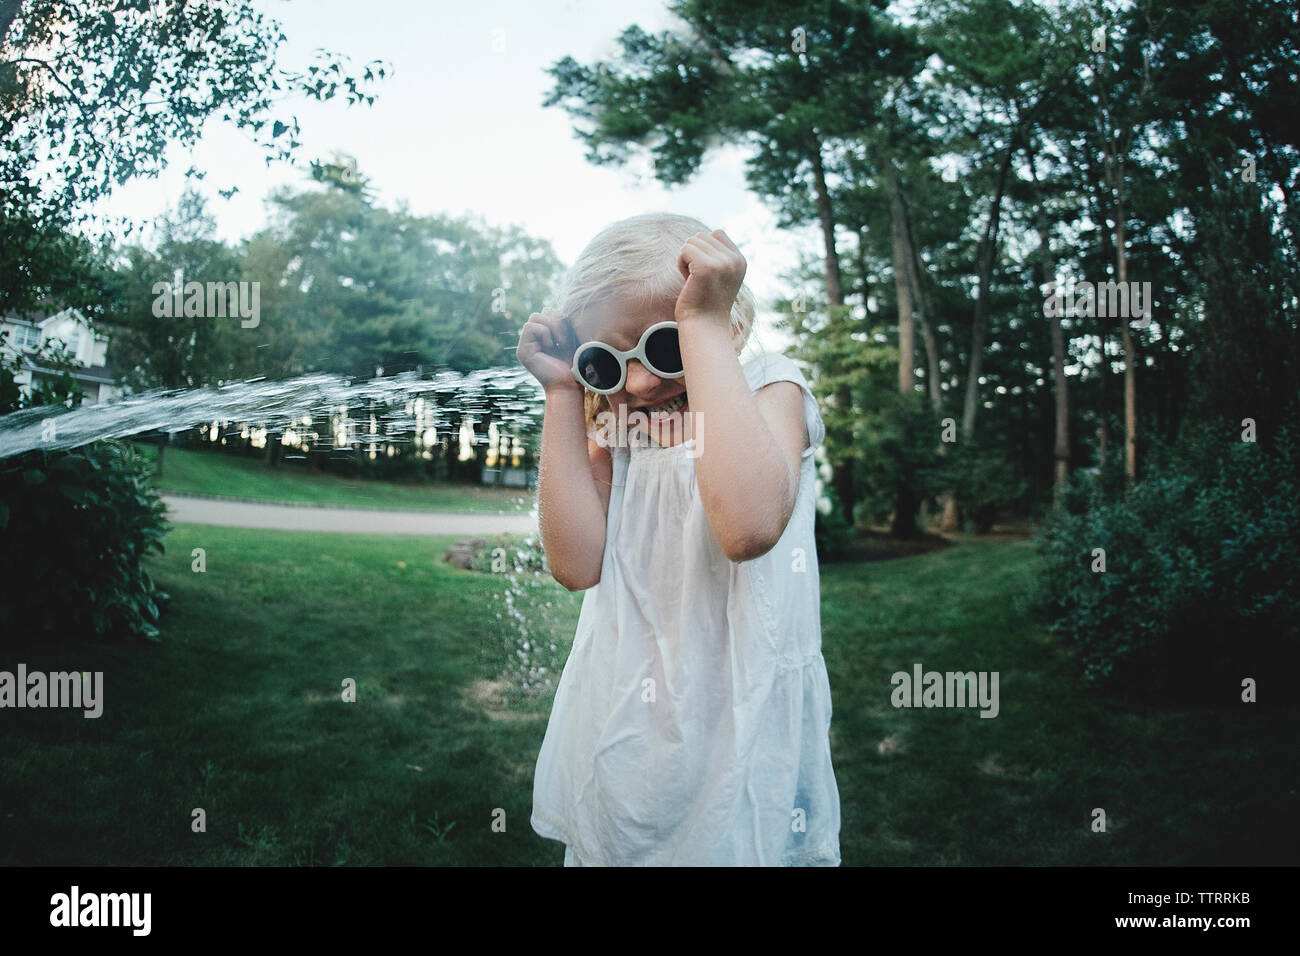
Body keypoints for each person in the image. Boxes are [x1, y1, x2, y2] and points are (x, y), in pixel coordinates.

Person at [516, 212, 841, 866]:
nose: (637, 383)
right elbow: (576, 565)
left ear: (732, 322)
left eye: (664, 348)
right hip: (628, 708)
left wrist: (698, 326)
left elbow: (747, 527)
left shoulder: (768, 387)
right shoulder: (618, 422)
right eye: (608, 362)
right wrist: (561, 393)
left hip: (736, 711)